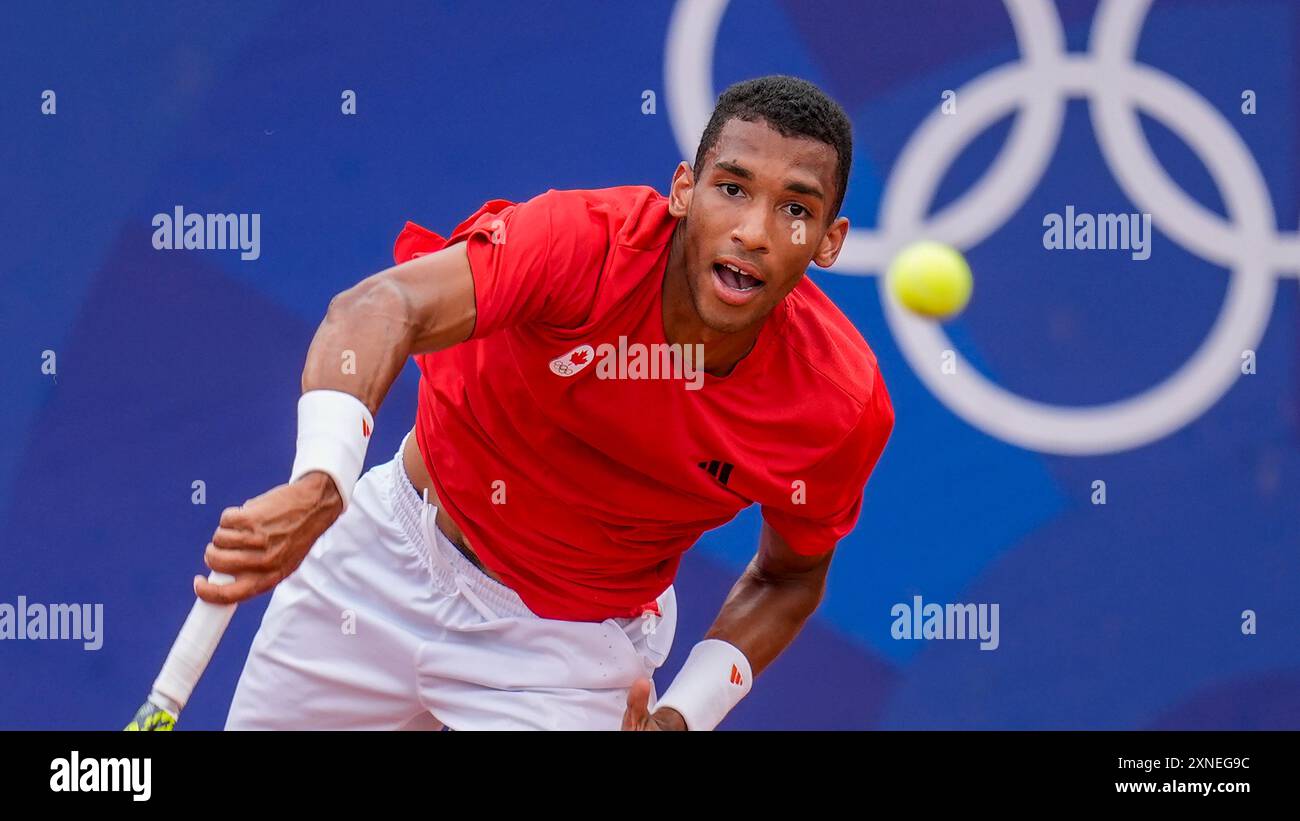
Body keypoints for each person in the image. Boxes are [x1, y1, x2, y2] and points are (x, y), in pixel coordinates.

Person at [208, 74, 894, 731]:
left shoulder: (836, 402)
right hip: (383, 559)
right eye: (733, 189)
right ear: (685, 190)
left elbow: (789, 577)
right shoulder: (584, 243)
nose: (753, 230)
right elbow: (383, 305)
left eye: (796, 209)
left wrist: (683, 715)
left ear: (830, 241)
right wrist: (324, 478)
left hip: (567, 654)